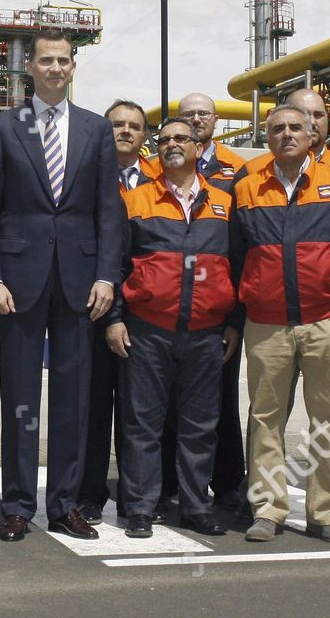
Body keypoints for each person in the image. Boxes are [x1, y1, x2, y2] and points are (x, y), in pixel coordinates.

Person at [0, 28, 122, 542]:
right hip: (18, 281)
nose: (55, 68)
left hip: (81, 282)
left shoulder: (95, 129)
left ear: (73, 67)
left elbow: (109, 211)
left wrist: (107, 275)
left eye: (63, 60)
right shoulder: (1, 128)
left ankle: (63, 503)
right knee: (20, 396)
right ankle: (17, 504)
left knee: (73, 397)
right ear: (29, 67)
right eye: (46, 61)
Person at [230, 106, 330, 545]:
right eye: (277, 129)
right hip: (266, 324)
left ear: (313, 135)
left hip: (326, 320)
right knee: (265, 417)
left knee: (328, 420)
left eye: (296, 127)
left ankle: (326, 513)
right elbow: (236, 255)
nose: (287, 134)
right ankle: (268, 509)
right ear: (267, 137)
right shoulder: (247, 186)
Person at [104, 119, 238, 538]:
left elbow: (241, 263)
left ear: (199, 148)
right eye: (163, 140)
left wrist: (233, 323)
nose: (171, 145)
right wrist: (114, 320)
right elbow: (115, 264)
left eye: (181, 139)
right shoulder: (136, 199)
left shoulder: (224, 202)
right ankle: (141, 507)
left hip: (205, 332)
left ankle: (196, 507)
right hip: (148, 329)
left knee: (200, 425)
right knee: (142, 423)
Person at [79, 99, 154, 522]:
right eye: (117, 125)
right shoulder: (84, 179)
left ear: (144, 136)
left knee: (138, 409)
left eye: (134, 126)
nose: (125, 131)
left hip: (142, 312)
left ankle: (136, 495)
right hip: (92, 307)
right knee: (92, 405)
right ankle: (90, 492)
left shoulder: (161, 182)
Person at [177, 92, 250, 511]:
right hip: (174, 306)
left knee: (223, 399)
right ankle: (176, 484)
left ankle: (227, 483)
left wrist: (236, 316)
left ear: (217, 120)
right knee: (175, 402)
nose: (197, 119)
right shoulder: (163, 164)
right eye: (189, 114)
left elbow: (241, 246)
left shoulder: (236, 171)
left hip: (219, 305)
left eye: (204, 113)